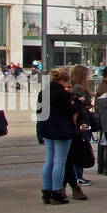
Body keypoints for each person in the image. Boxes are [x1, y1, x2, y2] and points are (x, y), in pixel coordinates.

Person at [37, 68, 79, 205]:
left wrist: (40, 130)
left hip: (47, 128)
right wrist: (77, 103)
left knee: (49, 160)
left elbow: (40, 112)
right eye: (67, 82)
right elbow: (69, 111)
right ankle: (57, 192)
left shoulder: (43, 93)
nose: (67, 85)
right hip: (62, 130)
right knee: (60, 161)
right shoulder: (62, 94)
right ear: (62, 81)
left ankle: (46, 191)